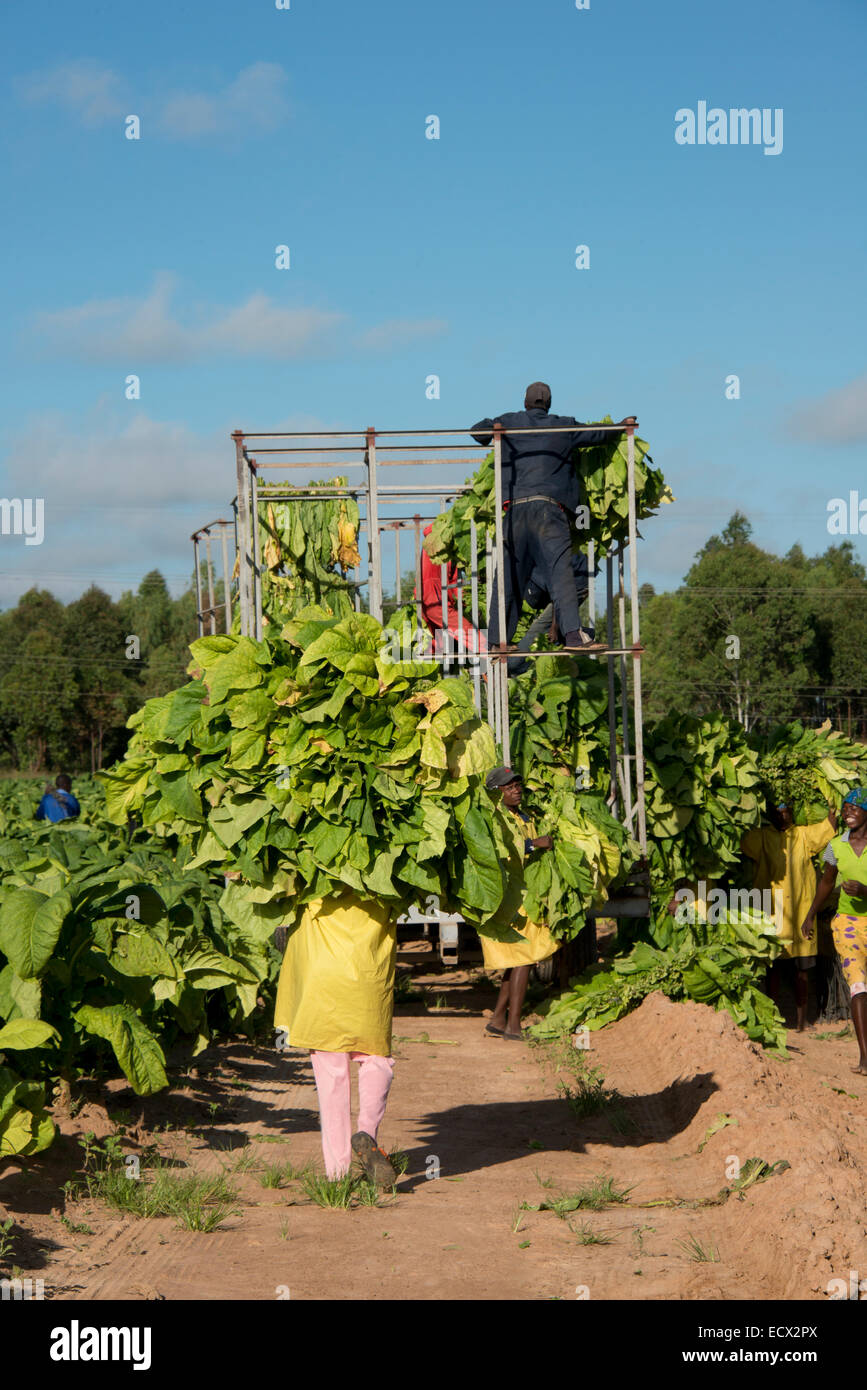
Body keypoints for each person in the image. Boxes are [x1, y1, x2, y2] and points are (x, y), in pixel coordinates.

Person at [470, 382, 636, 652]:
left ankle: (496, 641)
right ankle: (573, 636)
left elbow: (477, 432)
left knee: (508, 576)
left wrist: (492, 426)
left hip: (515, 512)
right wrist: (622, 426)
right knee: (561, 573)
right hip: (549, 511)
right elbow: (598, 435)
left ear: (525, 403)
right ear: (548, 404)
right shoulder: (562, 427)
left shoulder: (509, 422)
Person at [273, 894, 398, 1185]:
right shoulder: (389, 861)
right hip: (369, 970)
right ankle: (367, 1134)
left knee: (332, 1074)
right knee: (376, 1057)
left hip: (323, 973)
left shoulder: (307, 856)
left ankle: (338, 1175)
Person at [741, 801, 837, 1031]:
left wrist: (832, 803)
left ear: (794, 814)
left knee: (802, 971)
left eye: (787, 812)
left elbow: (828, 826)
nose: (783, 817)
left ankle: (802, 1021)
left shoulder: (803, 835)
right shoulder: (762, 837)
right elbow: (741, 838)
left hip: (802, 915)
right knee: (772, 970)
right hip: (772, 916)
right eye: (778, 812)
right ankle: (773, 1019)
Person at [481, 766, 559, 1039]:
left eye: (517, 784)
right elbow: (504, 848)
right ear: (496, 793)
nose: (516, 789)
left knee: (518, 961)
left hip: (527, 893)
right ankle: (514, 1026)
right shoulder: (495, 818)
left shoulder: (523, 816)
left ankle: (498, 1020)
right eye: (508, 786)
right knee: (524, 959)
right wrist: (534, 844)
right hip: (510, 898)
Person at [802, 789, 867, 1074]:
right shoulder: (835, 846)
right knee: (858, 987)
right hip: (848, 925)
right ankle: (865, 1056)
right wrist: (810, 915)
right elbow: (827, 883)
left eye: (855, 807)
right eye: (845, 808)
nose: (848, 813)